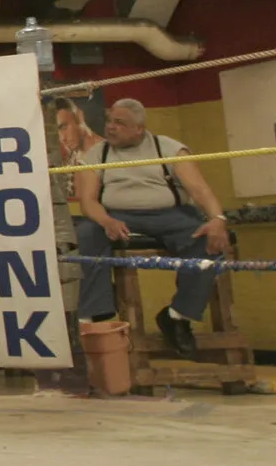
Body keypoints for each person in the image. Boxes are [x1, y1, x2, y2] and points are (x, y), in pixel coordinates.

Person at [72, 98, 232, 357]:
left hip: (170, 215)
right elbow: (88, 201)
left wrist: (217, 219)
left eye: (119, 123)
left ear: (139, 128)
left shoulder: (170, 148)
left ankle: (178, 316)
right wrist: (106, 221)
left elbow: (200, 189)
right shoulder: (95, 155)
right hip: (117, 216)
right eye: (110, 121)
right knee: (87, 233)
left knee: (207, 240)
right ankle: (93, 317)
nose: (111, 127)